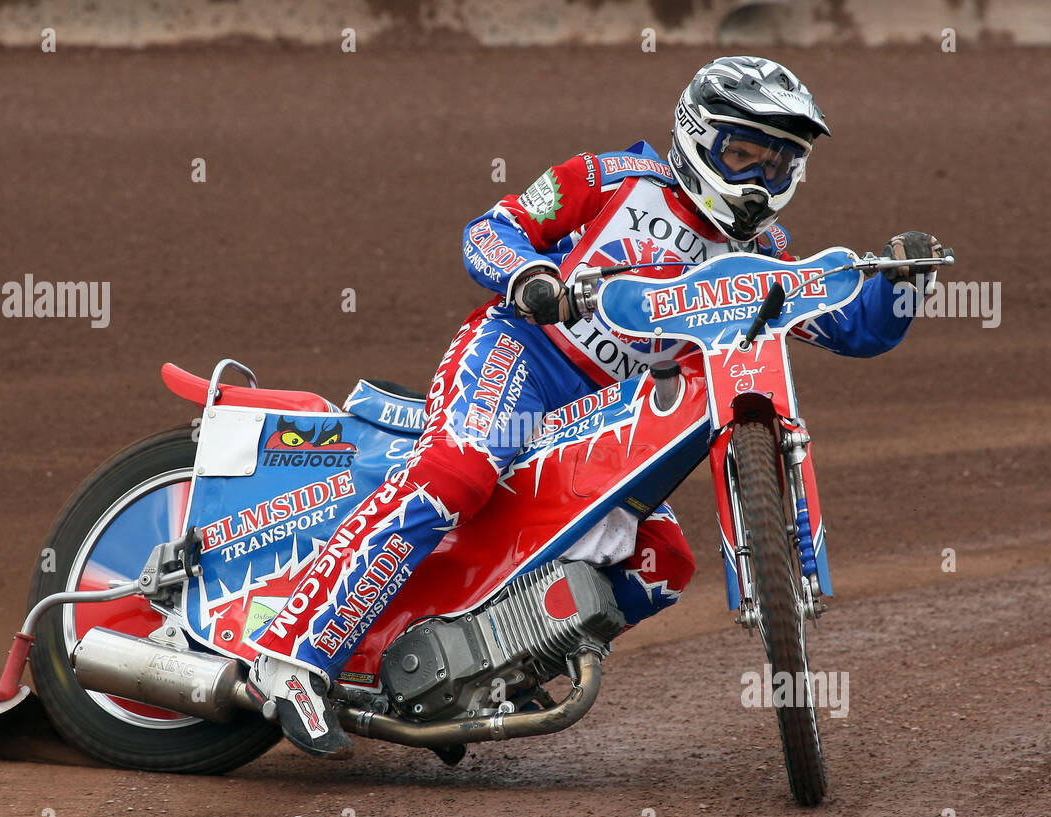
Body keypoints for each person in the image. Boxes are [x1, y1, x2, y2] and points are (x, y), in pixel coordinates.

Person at [244, 55, 945, 759]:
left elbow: (853, 328)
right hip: (522, 358)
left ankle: (481, 673)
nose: (759, 180)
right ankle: (291, 657)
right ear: (698, 139)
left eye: (779, 164)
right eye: (743, 155)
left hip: (612, 419)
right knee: (460, 470)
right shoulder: (611, 177)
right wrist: (529, 275)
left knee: (662, 560)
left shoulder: (764, 253)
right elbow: (490, 230)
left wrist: (902, 286)